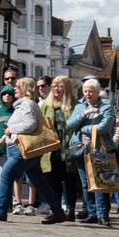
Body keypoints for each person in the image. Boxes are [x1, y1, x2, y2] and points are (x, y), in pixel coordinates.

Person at [0, 77, 57, 222]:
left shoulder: (27, 104)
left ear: (25, 89)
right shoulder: (22, 105)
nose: (14, 89)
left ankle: (1, 211)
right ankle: (58, 210)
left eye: (18, 86)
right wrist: (3, 140)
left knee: (6, 175)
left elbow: (30, 124)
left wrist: (11, 129)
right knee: (40, 182)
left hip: (21, 151)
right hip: (22, 150)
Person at [66, 78, 114, 225]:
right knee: (86, 183)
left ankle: (103, 214)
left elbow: (105, 126)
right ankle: (92, 213)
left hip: (100, 148)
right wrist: (85, 114)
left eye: (91, 91)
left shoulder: (106, 105)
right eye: (85, 91)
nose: (88, 94)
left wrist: (84, 128)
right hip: (81, 148)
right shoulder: (80, 106)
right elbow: (69, 124)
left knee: (102, 183)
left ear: (97, 92)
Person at [39, 75, 79, 224]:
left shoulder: (74, 105)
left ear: (67, 88)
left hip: (69, 149)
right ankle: (55, 210)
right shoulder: (46, 106)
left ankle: (70, 210)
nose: (56, 88)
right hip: (51, 150)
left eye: (60, 86)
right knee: (52, 181)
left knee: (69, 181)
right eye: (54, 86)